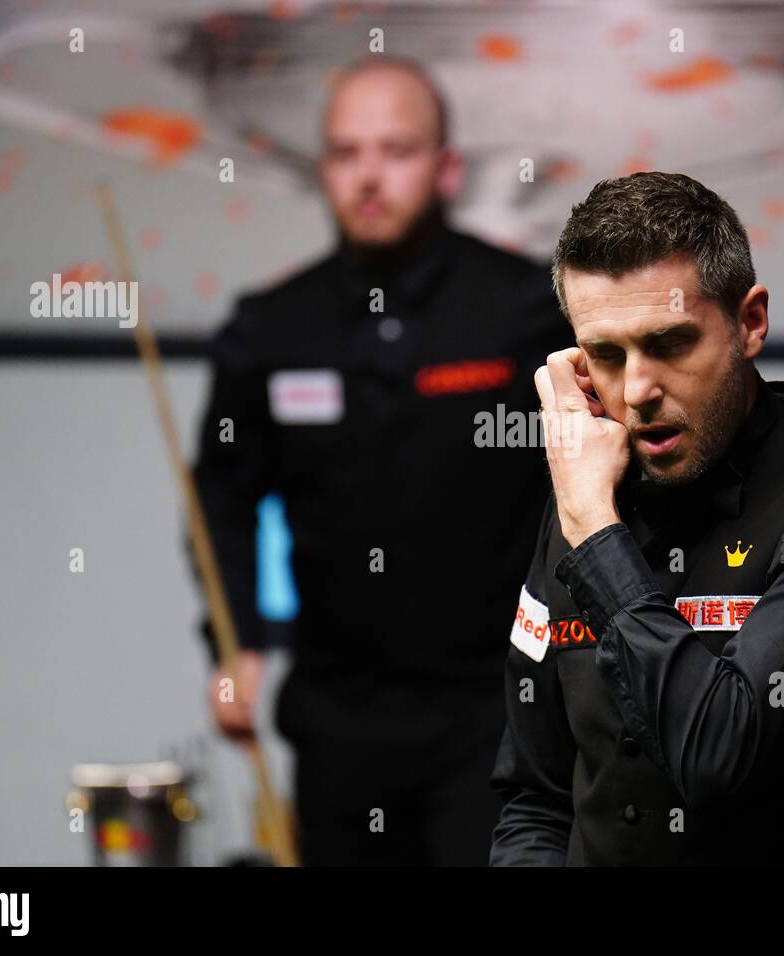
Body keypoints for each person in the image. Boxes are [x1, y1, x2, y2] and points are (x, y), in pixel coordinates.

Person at [489, 171, 784, 865]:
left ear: (750, 322)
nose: (638, 391)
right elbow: (536, 796)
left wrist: (597, 536)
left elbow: (720, 753)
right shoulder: (589, 488)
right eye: (607, 356)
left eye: (670, 344)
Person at [193, 55, 567, 865]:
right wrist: (237, 643)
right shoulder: (271, 327)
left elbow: (603, 479)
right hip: (337, 718)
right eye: (346, 152)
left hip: (497, 711)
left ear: (445, 168)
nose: (369, 177)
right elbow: (219, 495)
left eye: (396, 151)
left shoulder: (529, 309)